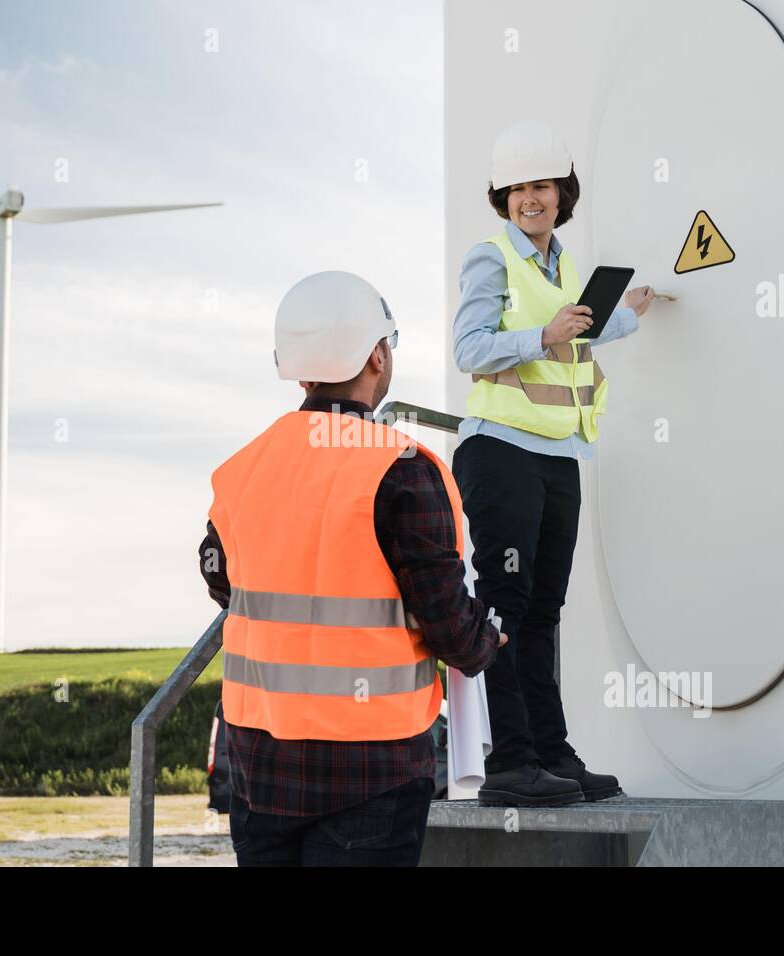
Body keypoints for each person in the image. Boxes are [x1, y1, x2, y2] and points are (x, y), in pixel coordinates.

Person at [198, 271, 505, 866]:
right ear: (377, 355)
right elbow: (447, 621)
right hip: (373, 772)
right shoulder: (404, 468)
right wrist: (485, 640)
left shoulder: (244, 468)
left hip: (260, 767)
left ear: (299, 370)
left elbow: (219, 574)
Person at [451, 119, 656, 806]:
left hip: (558, 457)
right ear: (502, 198)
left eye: (541, 186)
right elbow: (470, 349)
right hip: (500, 452)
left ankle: (550, 753)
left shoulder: (564, 266)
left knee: (543, 611)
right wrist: (542, 332)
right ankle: (509, 762)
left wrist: (627, 311)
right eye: (516, 189)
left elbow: (579, 329)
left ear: (562, 193)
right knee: (506, 607)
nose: (529, 199)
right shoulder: (491, 258)